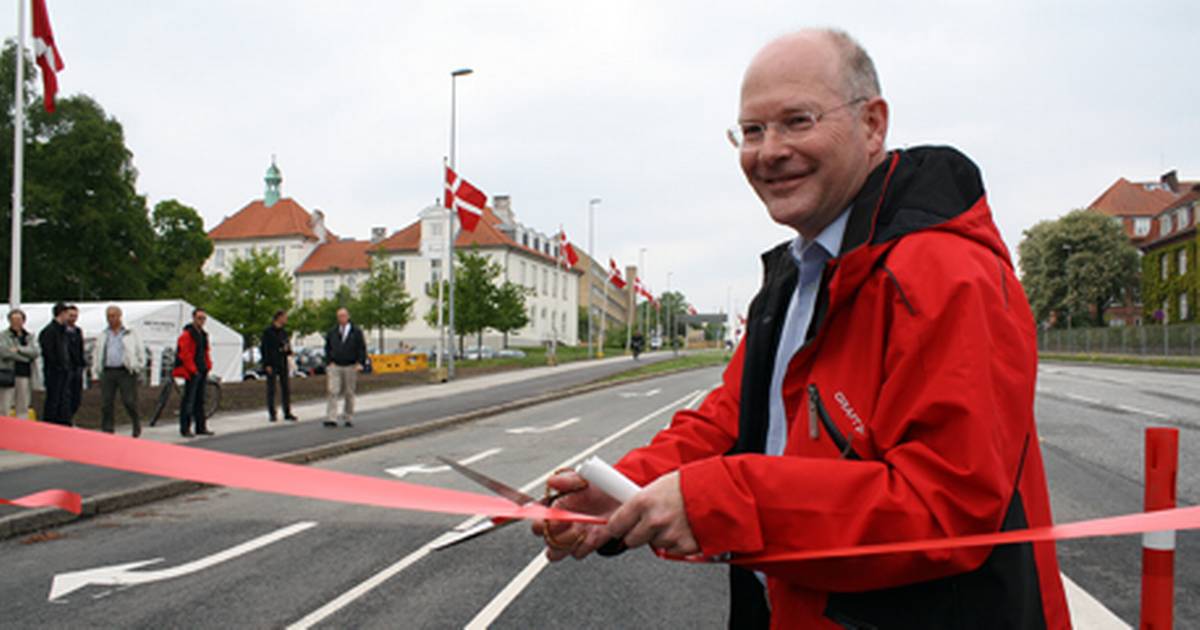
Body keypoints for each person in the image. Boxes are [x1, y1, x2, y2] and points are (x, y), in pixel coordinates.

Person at [534, 29, 1069, 629]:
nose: (769, 152)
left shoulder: (946, 274)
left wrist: (717, 501)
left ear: (872, 125)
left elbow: (946, 507)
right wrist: (623, 489)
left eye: (797, 121)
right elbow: (730, 422)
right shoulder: (797, 273)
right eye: (753, 131)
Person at [91, 305, 146, 437]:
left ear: (120, 316)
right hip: (108, 370)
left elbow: (140, 350)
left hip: (125, 370)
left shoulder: (130, 333)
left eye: (113, 316)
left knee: (129, 400)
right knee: (106, 402)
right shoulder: (103, 334)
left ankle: (135, 423)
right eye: (108, 316)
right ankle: (107, 428)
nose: (111, 319)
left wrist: (138, 365)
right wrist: (95, 371)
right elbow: (97, 353)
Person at [172, 308, 213, 438]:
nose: (201, 321)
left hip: (201, 369)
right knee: (188, 400)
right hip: (192, 372)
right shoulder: (187, 334)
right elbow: (185, 354)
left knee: (200, 400)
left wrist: (208, 365)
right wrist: (193, 369)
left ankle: (201, 426)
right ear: (193, 318)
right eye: (199, 318)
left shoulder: (203, 334)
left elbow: (205, 351)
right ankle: (185, 428)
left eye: (203, 318)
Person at [323, 307, 366, 428]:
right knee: (332, 390)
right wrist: (329, 361)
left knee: (349, 392)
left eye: (343, 316)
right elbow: (327, 347)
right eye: (339, 316)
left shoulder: (356, 332)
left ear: (348, 317)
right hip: (335, 365)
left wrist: (360, 362)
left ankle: (348, 416)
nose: (341, 319)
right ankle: (331, 417)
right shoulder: (332, 332)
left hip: (350, 365)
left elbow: (361, 348)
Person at [0, 309, 39, 418]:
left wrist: (18, 349)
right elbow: (5, 352)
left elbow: (35, 352)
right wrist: (25, 357)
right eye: (14, 320)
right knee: (5, 405)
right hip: (8, 374)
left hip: (24, 374)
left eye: (19, 320)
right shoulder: (3, 336)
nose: (16, 322)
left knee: (23, 405)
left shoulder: (29, 336)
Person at [38, 302, 72, 426]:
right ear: (61, 314)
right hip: (54, 371)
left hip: (63, 370)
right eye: (67, 315)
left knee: (63, 397)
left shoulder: (63, 331)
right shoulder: (49, 331)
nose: (69, 318)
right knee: (53, 397)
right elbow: (48, 352)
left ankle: (63, 421)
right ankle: (50, 422)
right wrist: (58, 365)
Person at [261, 309, 297, 423]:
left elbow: (286, 345)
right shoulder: (268, 332)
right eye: (284, 317)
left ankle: (287, 411)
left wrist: (289, 351)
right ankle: (272, 413)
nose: (286, 320)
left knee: (285, 388)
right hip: (272, 363)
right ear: (279, 318)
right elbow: (264, 348)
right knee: (271, 389)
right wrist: (266, 364)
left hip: (282, 362)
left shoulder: (283, 332)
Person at [64, 304, 86, 422]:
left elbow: (80, 349)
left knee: (76, 397)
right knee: (66, 396)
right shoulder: (61, 331)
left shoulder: (78, 331)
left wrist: (81, 365)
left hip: (77, 367)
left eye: (75, 316)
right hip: (66, 368)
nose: (73, 318)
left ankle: (71, 417)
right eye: (71, 315)